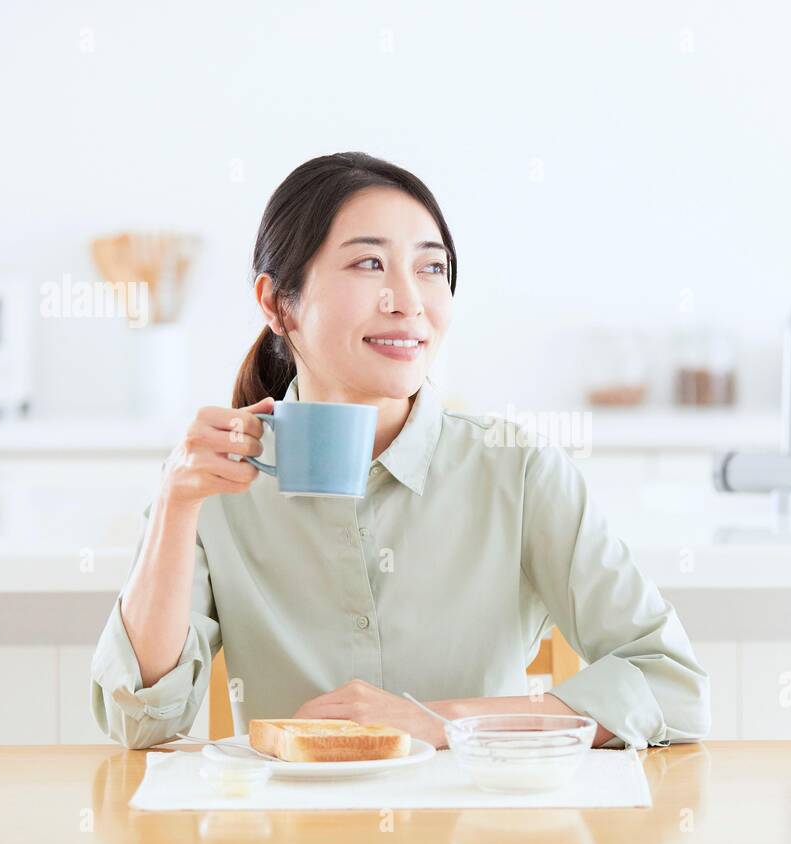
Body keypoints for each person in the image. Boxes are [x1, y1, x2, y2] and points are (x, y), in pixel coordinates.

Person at [90, 151, 710, 751]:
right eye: (368, 265)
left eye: (431, 268)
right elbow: (140, 720)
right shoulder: (217, 484)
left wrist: (444, 724)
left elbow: (672, 687)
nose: (408, 300)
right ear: (277, 303)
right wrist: (175, 505)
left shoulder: (518, 471)